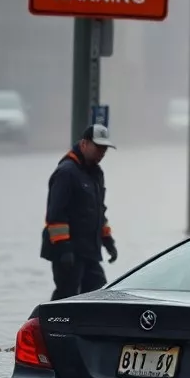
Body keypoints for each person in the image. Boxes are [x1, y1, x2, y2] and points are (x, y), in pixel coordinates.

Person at [40, 124, 119, 300]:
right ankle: (42, 325)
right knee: (66, 297)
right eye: (98, 147)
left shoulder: (95, 173)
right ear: (84, 144)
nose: (102, 152)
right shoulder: (66, 173)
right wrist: (64, 248)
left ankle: (93, 328)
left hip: (89, 250)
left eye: (104, 149)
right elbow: (56, 215)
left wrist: (107, 240)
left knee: (99, 294)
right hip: (68, 252)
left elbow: (98, 211)